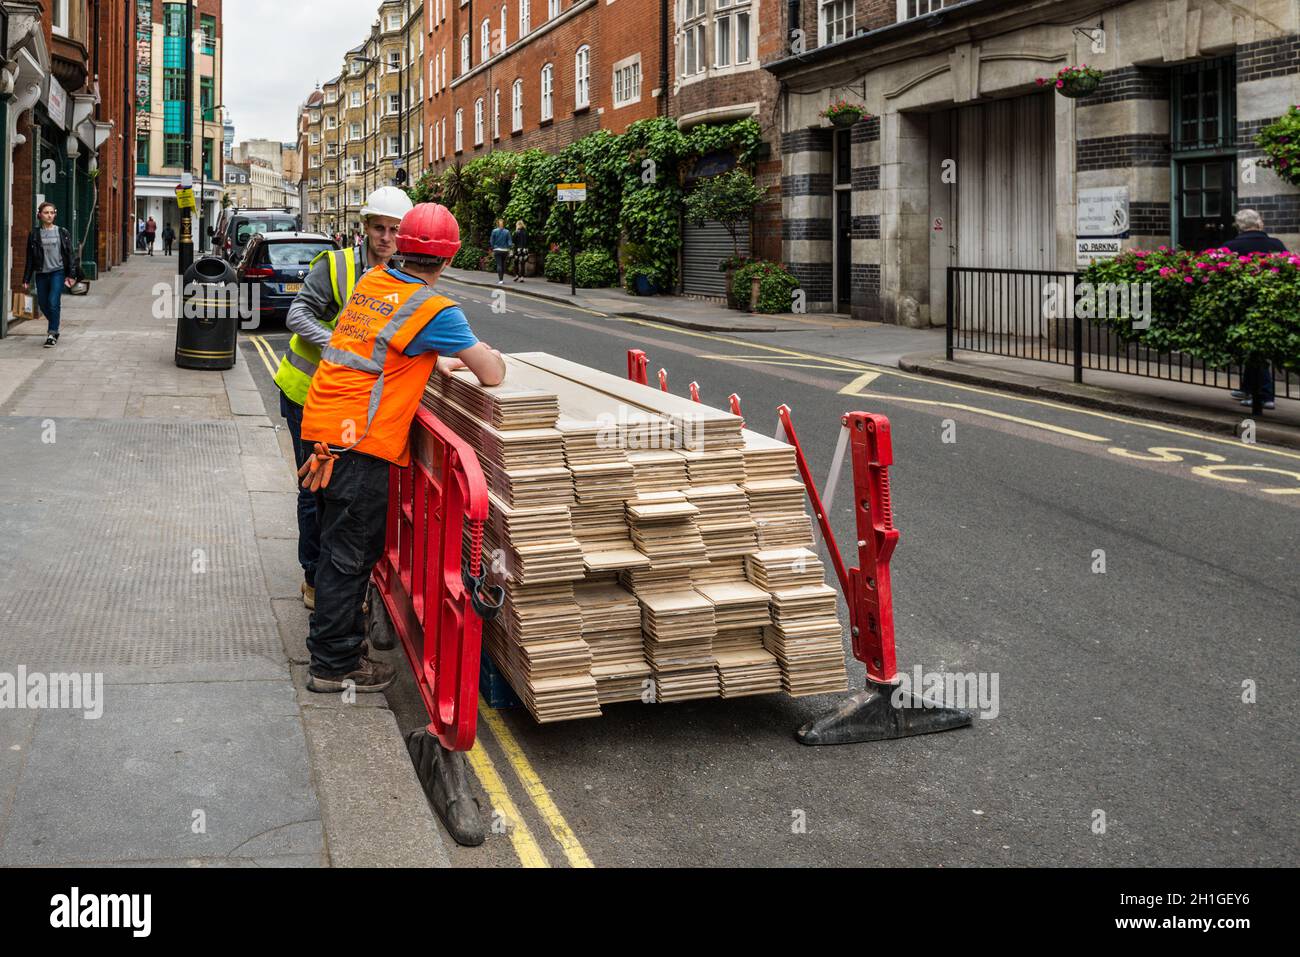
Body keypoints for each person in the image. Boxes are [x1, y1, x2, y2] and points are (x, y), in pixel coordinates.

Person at [299, 201, 505, 695]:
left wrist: (440, 363)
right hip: (361, 443)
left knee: (336, 548)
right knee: (350, 555)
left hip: (325, 428)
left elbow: (388, 348)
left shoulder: (373, 283)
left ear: (403, 245)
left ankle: (338, 647)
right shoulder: (435, 309)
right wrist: (481, 357)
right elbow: (493, 373)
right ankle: (333, 666)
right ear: (450, 258)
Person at [274, 186, 414, 611]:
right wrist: (339, 345)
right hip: (304, 394)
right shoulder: (335, 266)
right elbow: (297, 315)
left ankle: (342, 583)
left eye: (394, 230)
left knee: (340, 493)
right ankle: (315, 579)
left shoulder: (401, 276)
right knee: (313, 490)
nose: (386, 238)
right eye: (379, 228)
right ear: (364, 227)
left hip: (348, 404)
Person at [1222, 209, 1285, 411]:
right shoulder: (1276, 245)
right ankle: (1248, 387)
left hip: (1242, 304)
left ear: (1239, 226)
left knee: (1256, 350)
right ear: (1260, 224)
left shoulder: (1231, 247)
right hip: (1273, 303)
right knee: (1255, 349)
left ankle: (1264, 396)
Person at [22, 202, 83, 348]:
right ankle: (54, 324)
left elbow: (69, 254)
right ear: (40, 215)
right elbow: (30, 257)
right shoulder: (35, 234)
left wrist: (71, 274)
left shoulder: (62, 232)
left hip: (58, 272)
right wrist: (26, 278)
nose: (49, 215)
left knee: (53, 301)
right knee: (43, 304)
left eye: (52, 212)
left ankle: (52, 333)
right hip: (41, 273)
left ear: (55, 214)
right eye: (46, 212)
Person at [490, 218, 511, 285]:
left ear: (497, 224)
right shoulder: (507, 232)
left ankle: (500, 280)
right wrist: (509, 247)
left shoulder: (494, 231)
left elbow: (491, 241)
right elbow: (509, 242)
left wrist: (493, 247)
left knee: (499, 264)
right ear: (503, 224)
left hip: (497, 250)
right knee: (503, 265)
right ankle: (502, 278)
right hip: (505, 250)